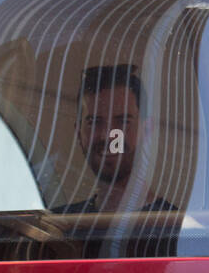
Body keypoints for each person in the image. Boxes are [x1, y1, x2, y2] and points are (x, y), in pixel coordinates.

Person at [53, 65, 175, 214]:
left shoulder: (178, 230)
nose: (108, 135)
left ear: (147, 130)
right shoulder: (58, 226)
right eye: (94, 122)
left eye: (123, 121)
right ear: (79, 133)